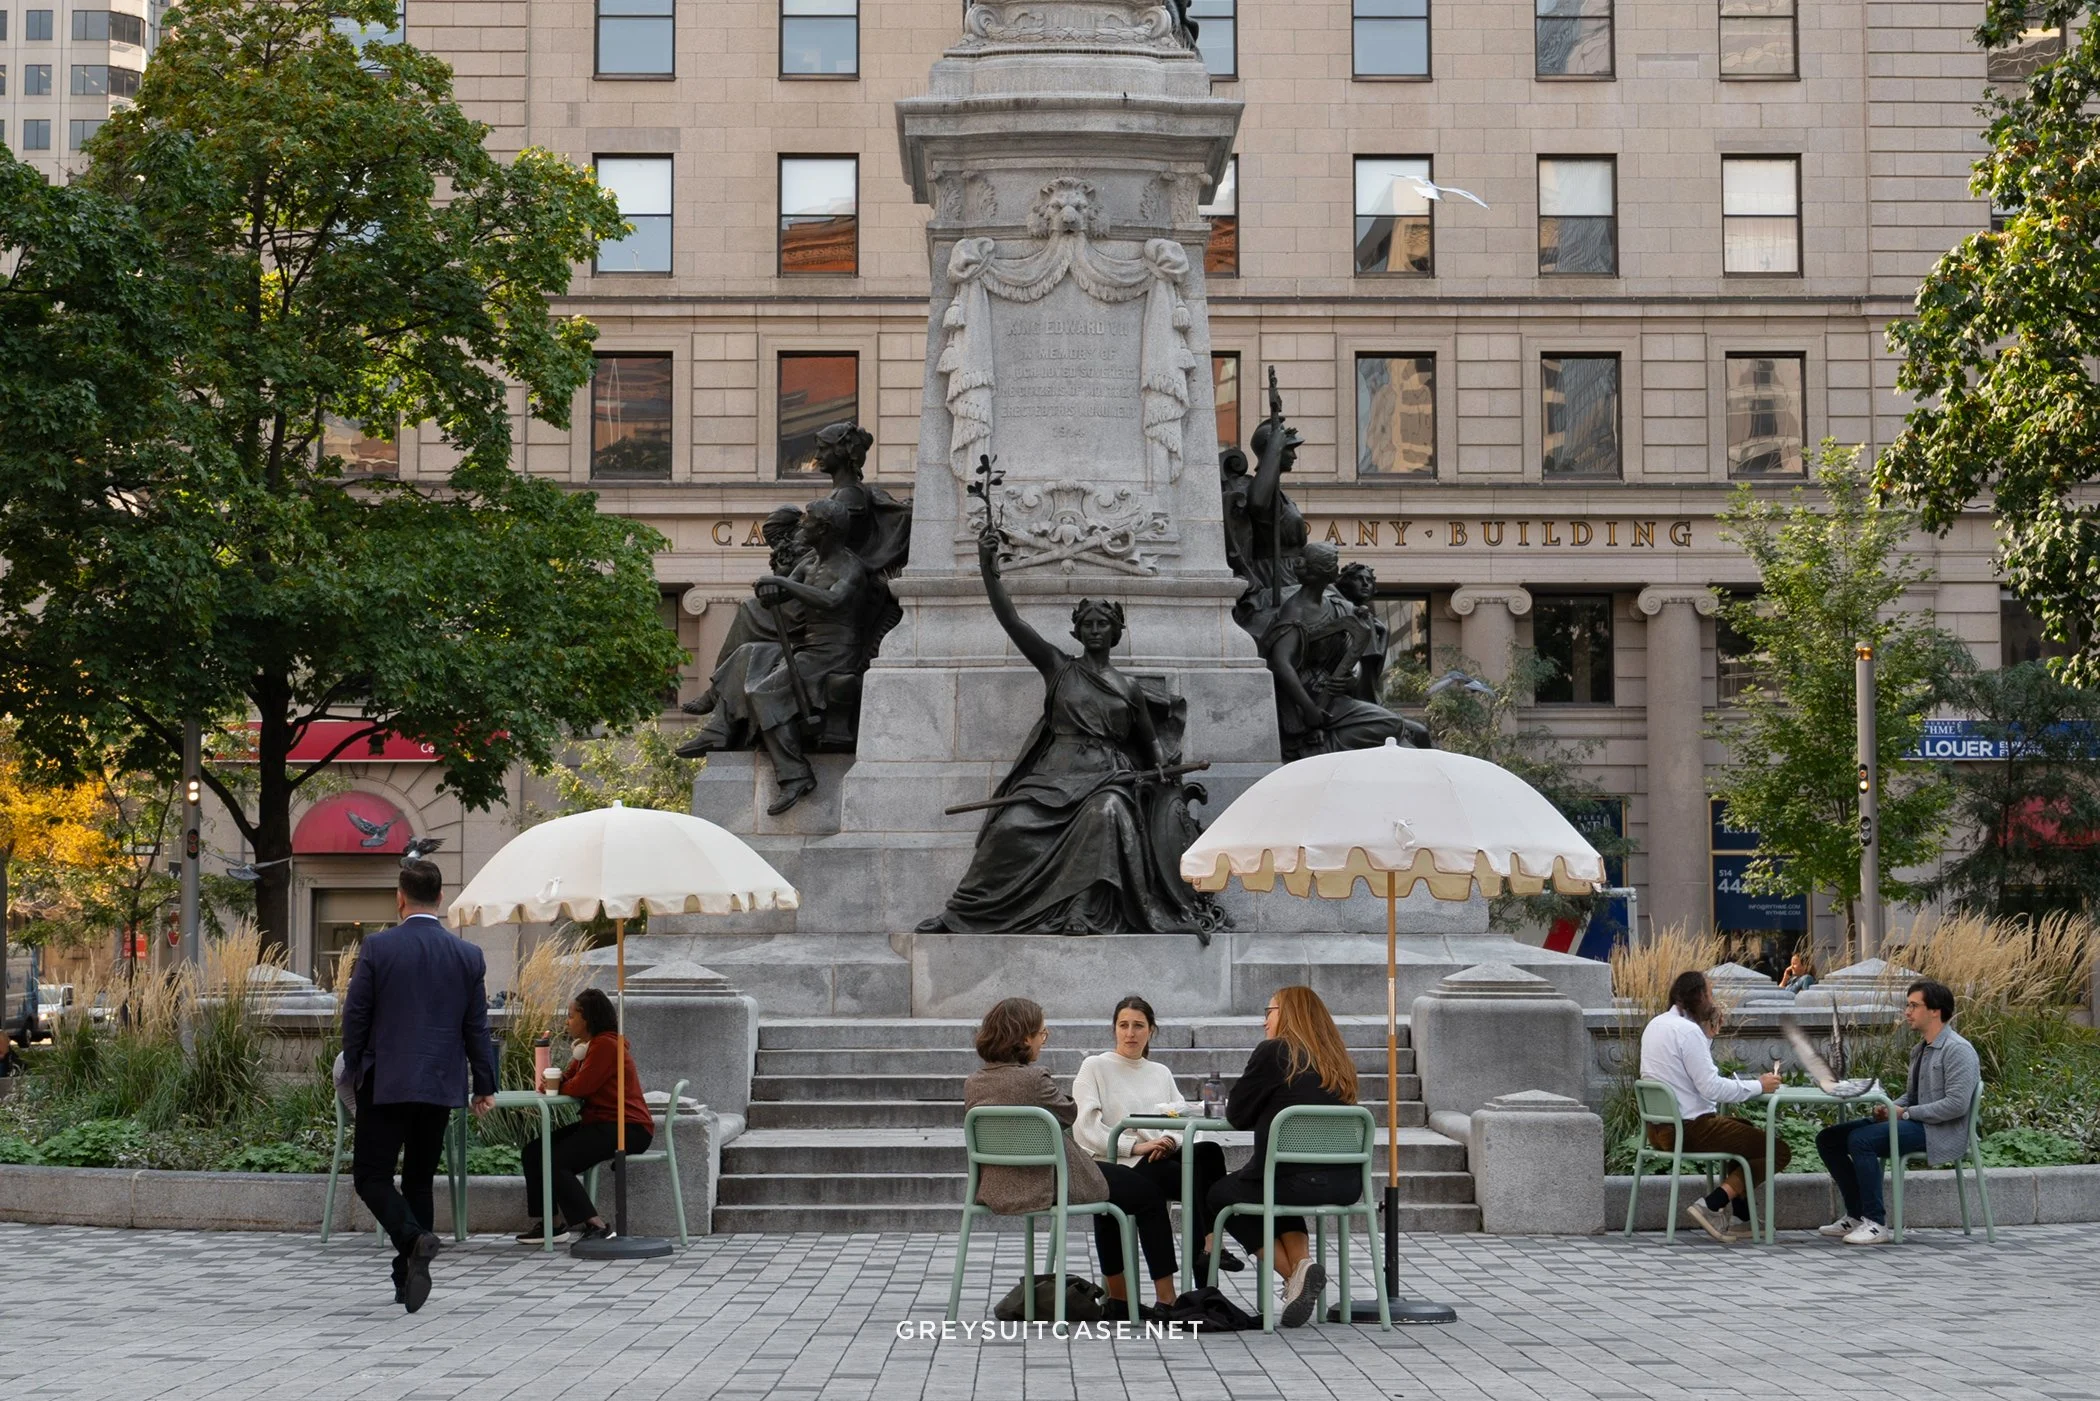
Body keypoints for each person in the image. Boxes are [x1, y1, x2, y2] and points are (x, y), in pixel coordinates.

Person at [919, 526, 1217, 935]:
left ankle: (1082, 909)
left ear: (1115, 632)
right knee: (1010, 826)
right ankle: (963, 912)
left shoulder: (1129, 688)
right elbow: (1012, 621)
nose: (1095, 630)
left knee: (1107, 814)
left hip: (1106, 779)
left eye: (1103, 624)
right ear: (1077, 631)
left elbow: (1151, 745)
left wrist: (1163, 768)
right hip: (1052, 777)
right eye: (1088, 624)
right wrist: (988, 570)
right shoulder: (1058, 667)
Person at [339, 859, 498, 1313]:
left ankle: (413, 1240)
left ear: (400, 897)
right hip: (439, 1085)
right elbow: (476, 1027)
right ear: (442, 898)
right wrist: (484, 1083)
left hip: (385, 1080)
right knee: (419, 1182)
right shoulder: (468, 956)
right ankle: (406, 1277)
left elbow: (357, 1015)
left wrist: (356, 1067)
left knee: (371, 1176)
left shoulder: (378, 947)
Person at [963, 997, 1180, 1305]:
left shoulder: (974, 1083)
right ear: (1023, 1037)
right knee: (1144, 1195)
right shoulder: (1035, 1079)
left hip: (997, 1186)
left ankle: (1119, 1298)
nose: (1043, 1039)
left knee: (1111, 1184)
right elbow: (1069, 1113)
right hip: (1044, 1184)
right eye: (1041, 1033)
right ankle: (1163, 1298)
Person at [1205, 986, 1365, 1328]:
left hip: (1295, 1180)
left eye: (1270, 1011)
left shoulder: (1274, 1052)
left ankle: (1292, 1278)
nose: (1265, 1021)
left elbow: (1236, 1114)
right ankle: (1304, 1268)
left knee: (1220, 1194)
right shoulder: (1337, 1058)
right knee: (1272, 1185)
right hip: (1345, 1183)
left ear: (1289, 1014)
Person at [1070, 996, 1243, 1297]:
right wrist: (1137, 1147)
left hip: (1160, 1157)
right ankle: (1205, 1271)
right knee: (1195, 1182)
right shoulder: (1095, 1066)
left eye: (1138, 1026)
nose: (1130, 1033)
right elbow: (1085, 1128)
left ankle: (1210, 1245)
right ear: (1114, 1029)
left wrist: (1168, 1141)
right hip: (1119, 1160)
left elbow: (1180, 1117)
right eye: (1123, 1025)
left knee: (1209, 1153)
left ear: (1151, 1030)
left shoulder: (1160, 1072)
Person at [1814, 978, 1980, 1246]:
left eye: (1914, 1006)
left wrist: (1904, 1113)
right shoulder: (1921, 1049)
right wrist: (1890, 1107)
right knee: (1829, 1138)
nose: (1907, 1012)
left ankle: (1875, 1223)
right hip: (1917, 1122)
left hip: (1940, 1131)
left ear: (1935, 1010)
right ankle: (1855, 1216)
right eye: (1907, 1005)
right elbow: (1912, 1096)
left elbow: (1956, 1105)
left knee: (1862, 1140)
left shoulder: (1958, 1050)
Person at [1639, 970, 1785, 1242]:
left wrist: (1707, 1036)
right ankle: (1712, 1205)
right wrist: (1759, 1085)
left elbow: (1686, 1071)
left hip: (1658, 1130)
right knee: (1777, 1150)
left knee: (1745, 1132)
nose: (1714, 1000)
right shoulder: (1687, 1031)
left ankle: (1742, 1217)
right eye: (1711, 992)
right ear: (1699, 996)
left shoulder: (1657, 1024)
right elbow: (1711, 1088)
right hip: (1689, 1128)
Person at [1259, 544, 1426, 760]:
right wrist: (1309, 709)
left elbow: (1354, 650)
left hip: (1334, 695)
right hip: (1306, 698)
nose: (1337, 571)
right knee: (1390, 725)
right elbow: (1282, 662)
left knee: (1400, 730)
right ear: (1325, 572)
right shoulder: (1295, 610)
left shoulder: (1337, 605)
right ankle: (1317, 749)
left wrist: (1352, 677)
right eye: (1334, 566)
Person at [518, 988, 655, 1245]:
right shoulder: (587, 1047)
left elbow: (581, 1087)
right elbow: (570, 1080)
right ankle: (551, 1223)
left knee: (554, 1160)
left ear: (587, 1018)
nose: (567, 1022)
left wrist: (558, 1084)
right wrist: (555, 1080)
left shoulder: (605, 1045)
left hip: (627, 1126)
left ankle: (597, 1225)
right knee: (534, 1152)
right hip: (602, 1122)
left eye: (571, 1016)